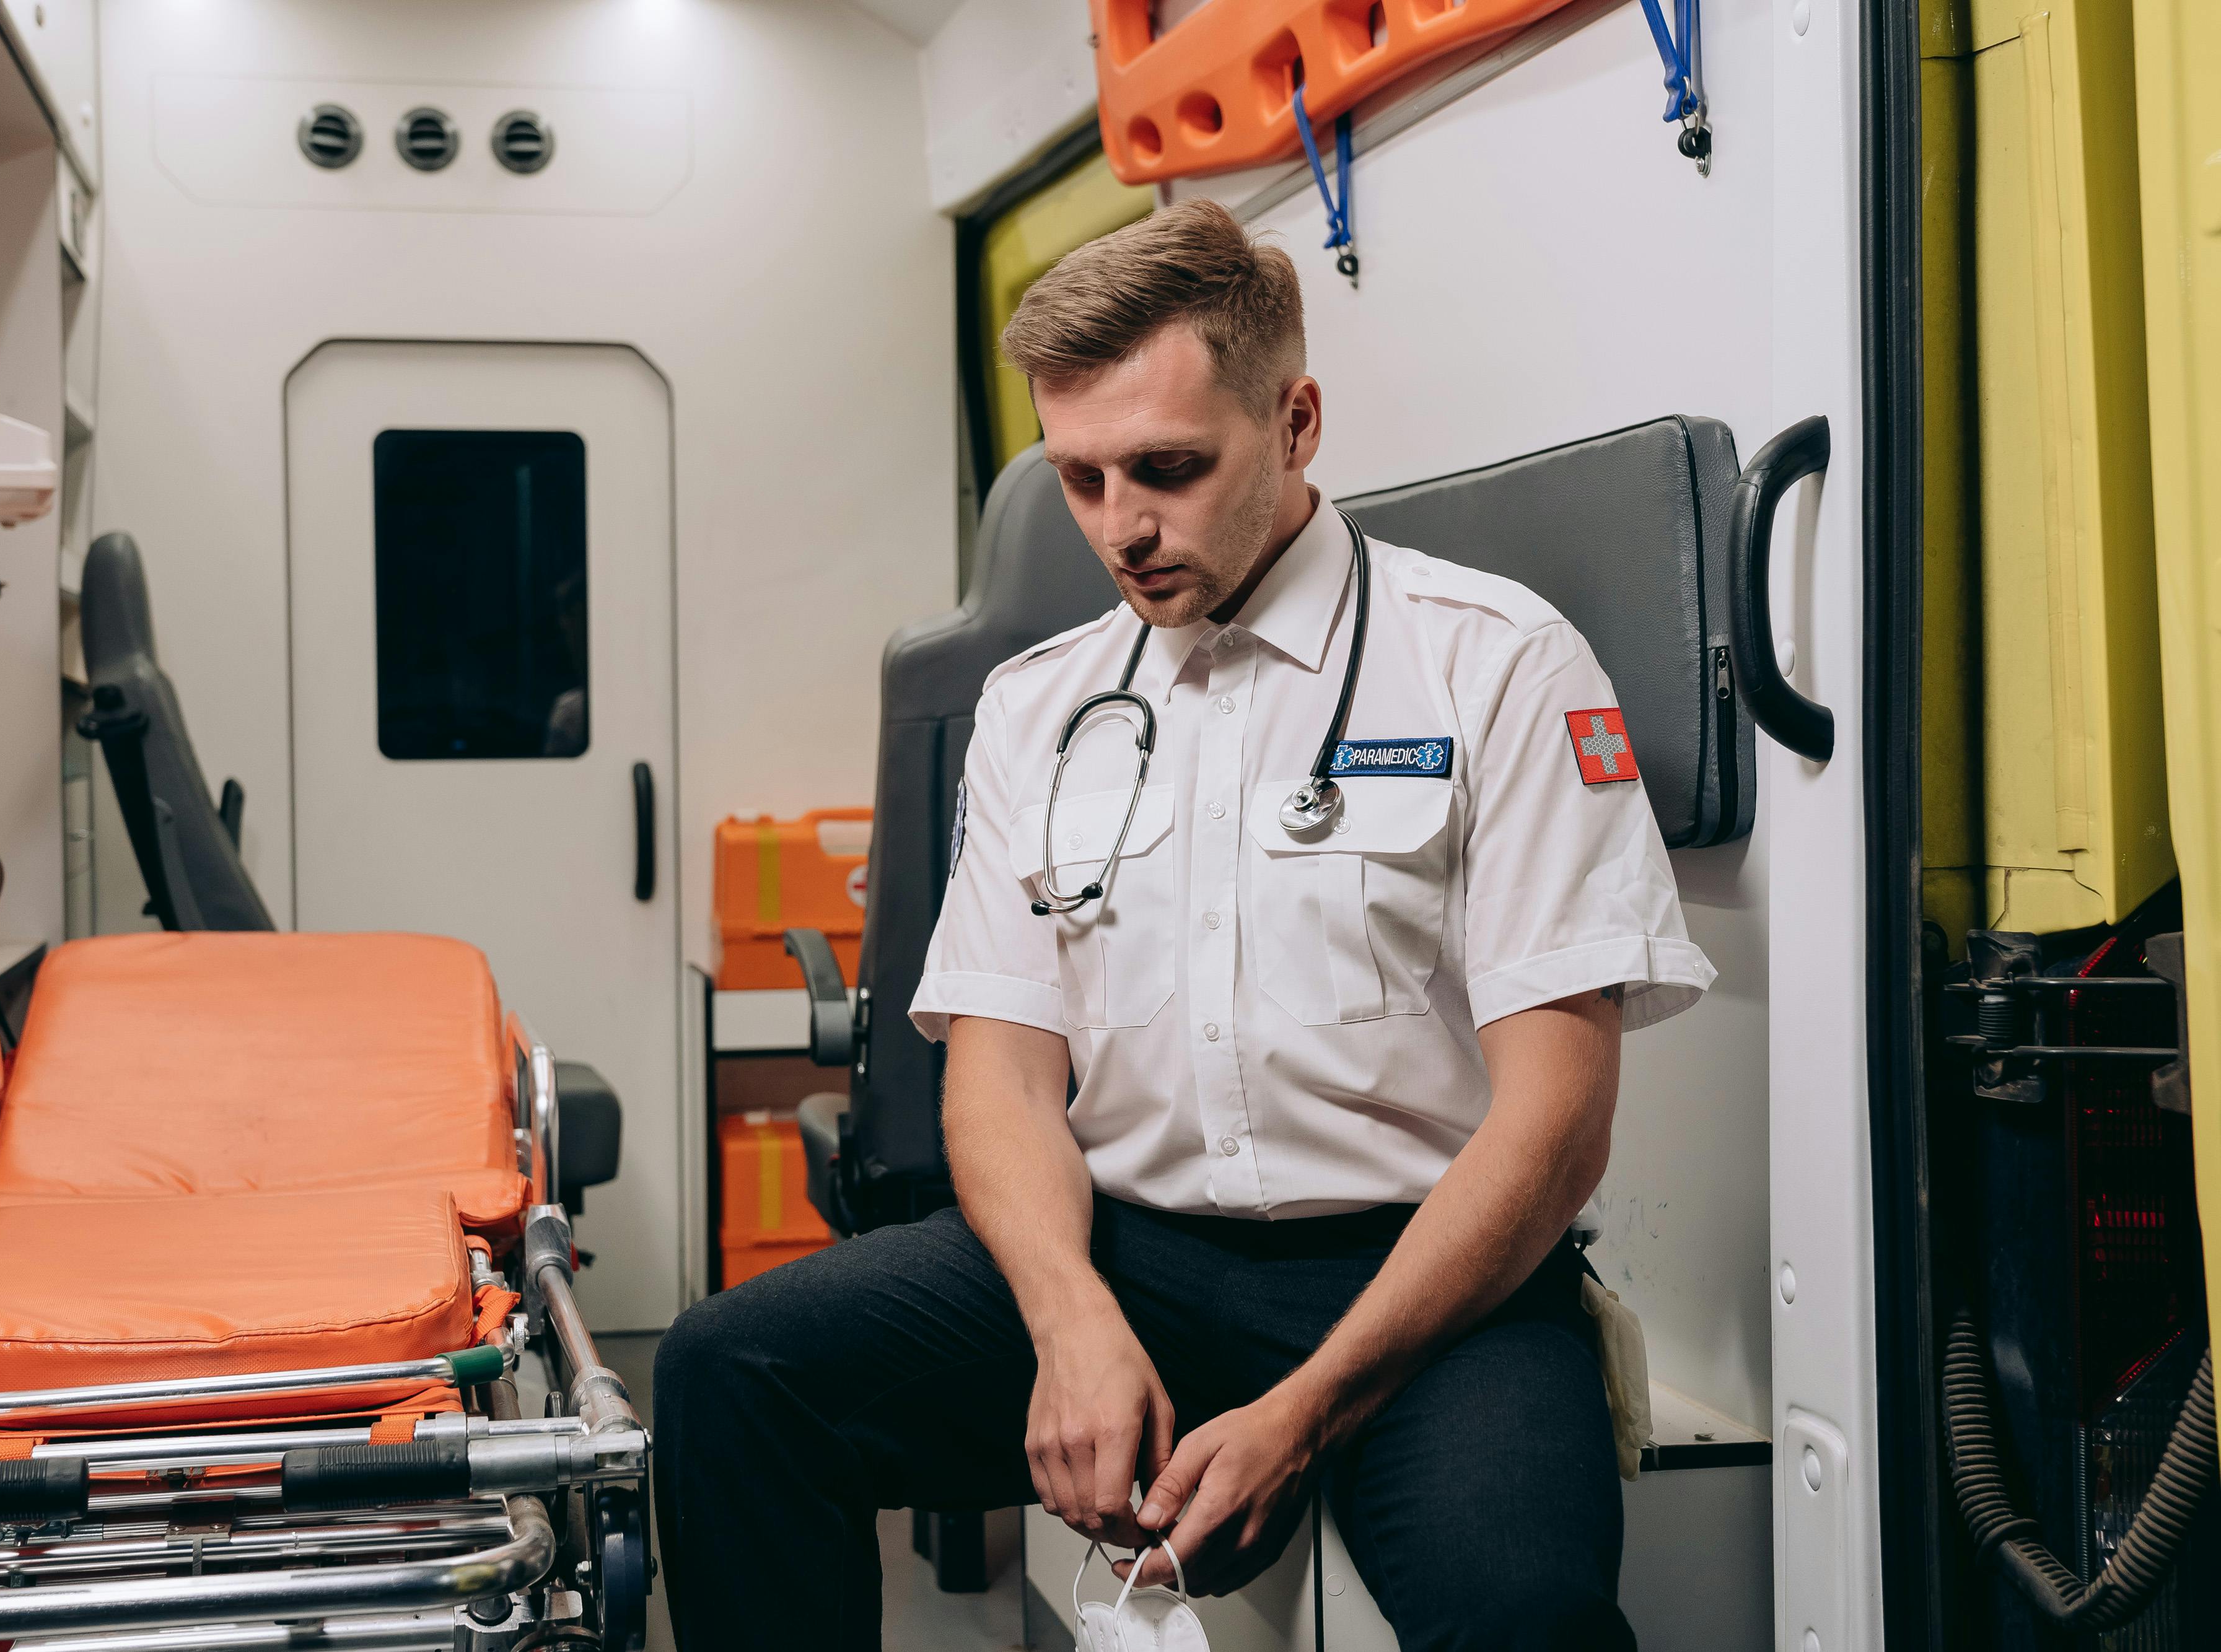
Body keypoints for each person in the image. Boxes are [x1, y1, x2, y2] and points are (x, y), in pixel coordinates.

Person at [654, 199, 1713, 1651]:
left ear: (1295, 422)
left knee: (1523, 1612)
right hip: (1133, 1253)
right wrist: (1067, 1316)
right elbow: (1001, 1071)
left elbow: (1554, 1121)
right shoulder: (1041, 705)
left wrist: (1305, 1406)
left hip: (1434, 1283)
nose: (1118, 528)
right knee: (733, 1367)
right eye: (1078, 478)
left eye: (1166, 469)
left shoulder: (1495, 665)